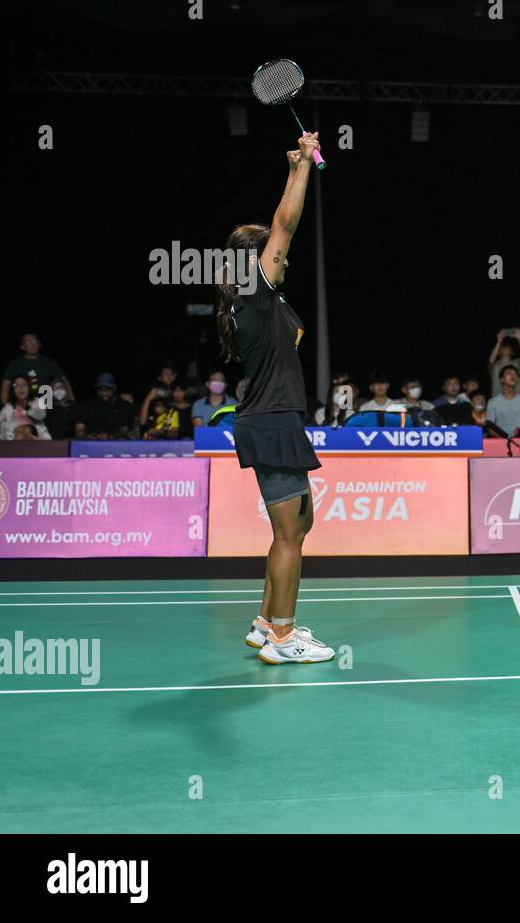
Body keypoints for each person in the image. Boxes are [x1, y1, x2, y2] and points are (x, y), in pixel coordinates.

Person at [214, 132, 332, 665]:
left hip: (270, 418)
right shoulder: (255, 294)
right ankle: (283, 638)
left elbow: (280, 230)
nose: (280, 260)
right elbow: (285, 225)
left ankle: (266, 623)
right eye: (269, 256)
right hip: (272, 420)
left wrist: (290, 170)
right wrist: (305, 164)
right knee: (291, 535)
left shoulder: (251, 301)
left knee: (297, 525)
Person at [1, 333, 70, 406]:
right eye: (28, 342)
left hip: (46, 405)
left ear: (40, 344)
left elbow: (65, 382)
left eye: (35, 341)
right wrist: (5, 407)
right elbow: (6, 386)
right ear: (22, 347)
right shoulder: (13, 364)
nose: (32, 344)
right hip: (22, 407)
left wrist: (71, 402)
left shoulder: (49, 363)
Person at [72, 373, 135, 439]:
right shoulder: (86, 405)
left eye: (107, 389)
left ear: (114, 388)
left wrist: (109, 437)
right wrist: (88, 437)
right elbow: (79, 430)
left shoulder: (124, 406)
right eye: (100, 390)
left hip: (115, 444)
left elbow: (124, 430)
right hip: (89, 444)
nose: (103, 393)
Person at [486, 364, 520, 438]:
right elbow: (491, 429)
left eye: (515, 374)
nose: (513, 376)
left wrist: (517, 441)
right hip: (500, 442)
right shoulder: (492, 402)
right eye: (509, 373)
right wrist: (506, 440)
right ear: (502, 379)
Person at [488, 329, 520, 398]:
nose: (505, 348)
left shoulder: (516, 363)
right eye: (503, 348)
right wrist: (499, 341)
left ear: (512, 353)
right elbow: (491, 360)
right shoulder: (495, 365)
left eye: (508, 348)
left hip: (517, 400)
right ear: (499, 352)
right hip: (498, 401)